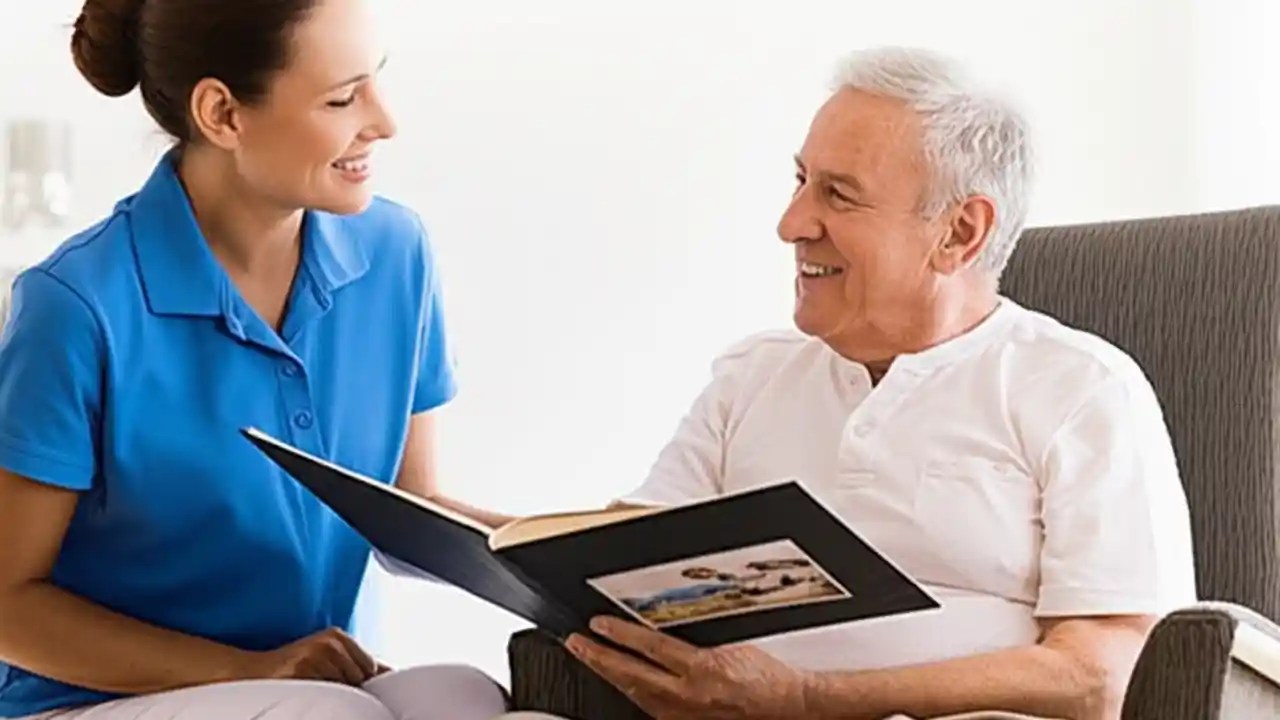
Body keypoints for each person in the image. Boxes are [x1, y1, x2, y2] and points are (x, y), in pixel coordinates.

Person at [559, 47, 1198, 720]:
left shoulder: (1079, 390)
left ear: (959, 232)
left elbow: (1103, 674)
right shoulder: (751, 375)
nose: (791, 224)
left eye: (837, 194)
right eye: (800, 181)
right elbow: (626, 557)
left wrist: (808, 701)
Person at [0, 0, 517, 718]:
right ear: (222, 114)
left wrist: (576, 557)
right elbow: (8, 605)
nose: (384, 122)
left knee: (460, 695)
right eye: (342, 98)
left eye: (376, 82)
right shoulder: (77, 306)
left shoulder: (397, 254)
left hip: (307, 687)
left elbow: (411, 516)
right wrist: (246, 670)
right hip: (89, 701)